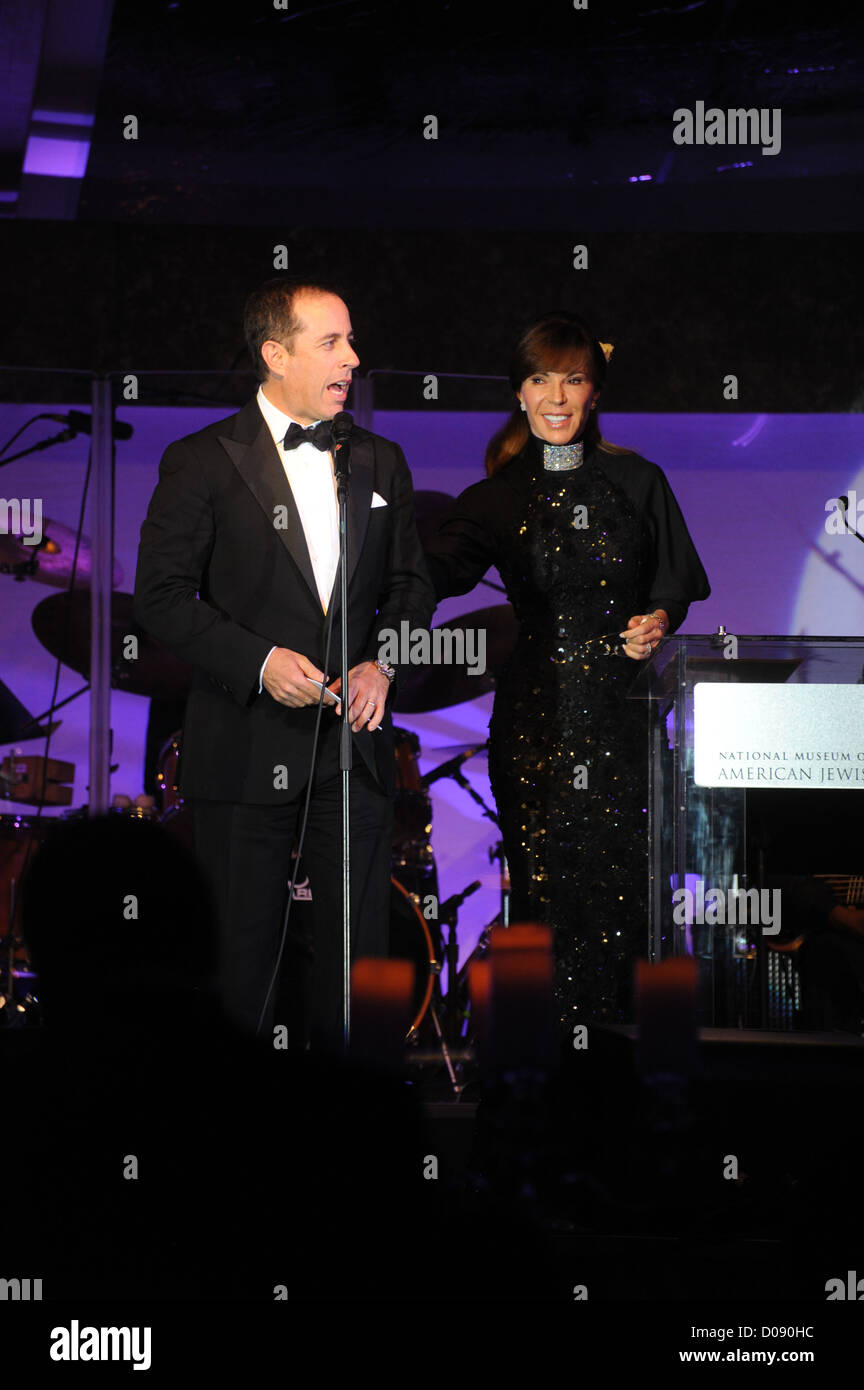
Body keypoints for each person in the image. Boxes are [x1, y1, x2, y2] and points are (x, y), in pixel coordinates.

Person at [133, 276, 435, 1053]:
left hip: (351, 750)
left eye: (351, 340)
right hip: (243, 744)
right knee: (241, 965)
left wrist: (382, 664)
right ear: (276, 354)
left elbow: (410, 587)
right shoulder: (201, 460)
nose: (353, 358)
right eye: (332, 342)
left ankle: (357, 1139)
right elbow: (161, 597)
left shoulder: (381, 461)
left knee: (357, 970)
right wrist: (260, 660)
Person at [423, 310, 710, 1029]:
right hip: (536, 732)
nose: (556, 396)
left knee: (632, 897)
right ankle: (549, 1081)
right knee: (548, 903)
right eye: (540, 379)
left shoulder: (638, 480)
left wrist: (658, 620)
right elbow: (433, 572)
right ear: (518, 392)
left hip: (624, 724)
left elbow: (671, 585)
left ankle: (639, 1085)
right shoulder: (498, 495)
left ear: (594, 393)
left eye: (573, 380)